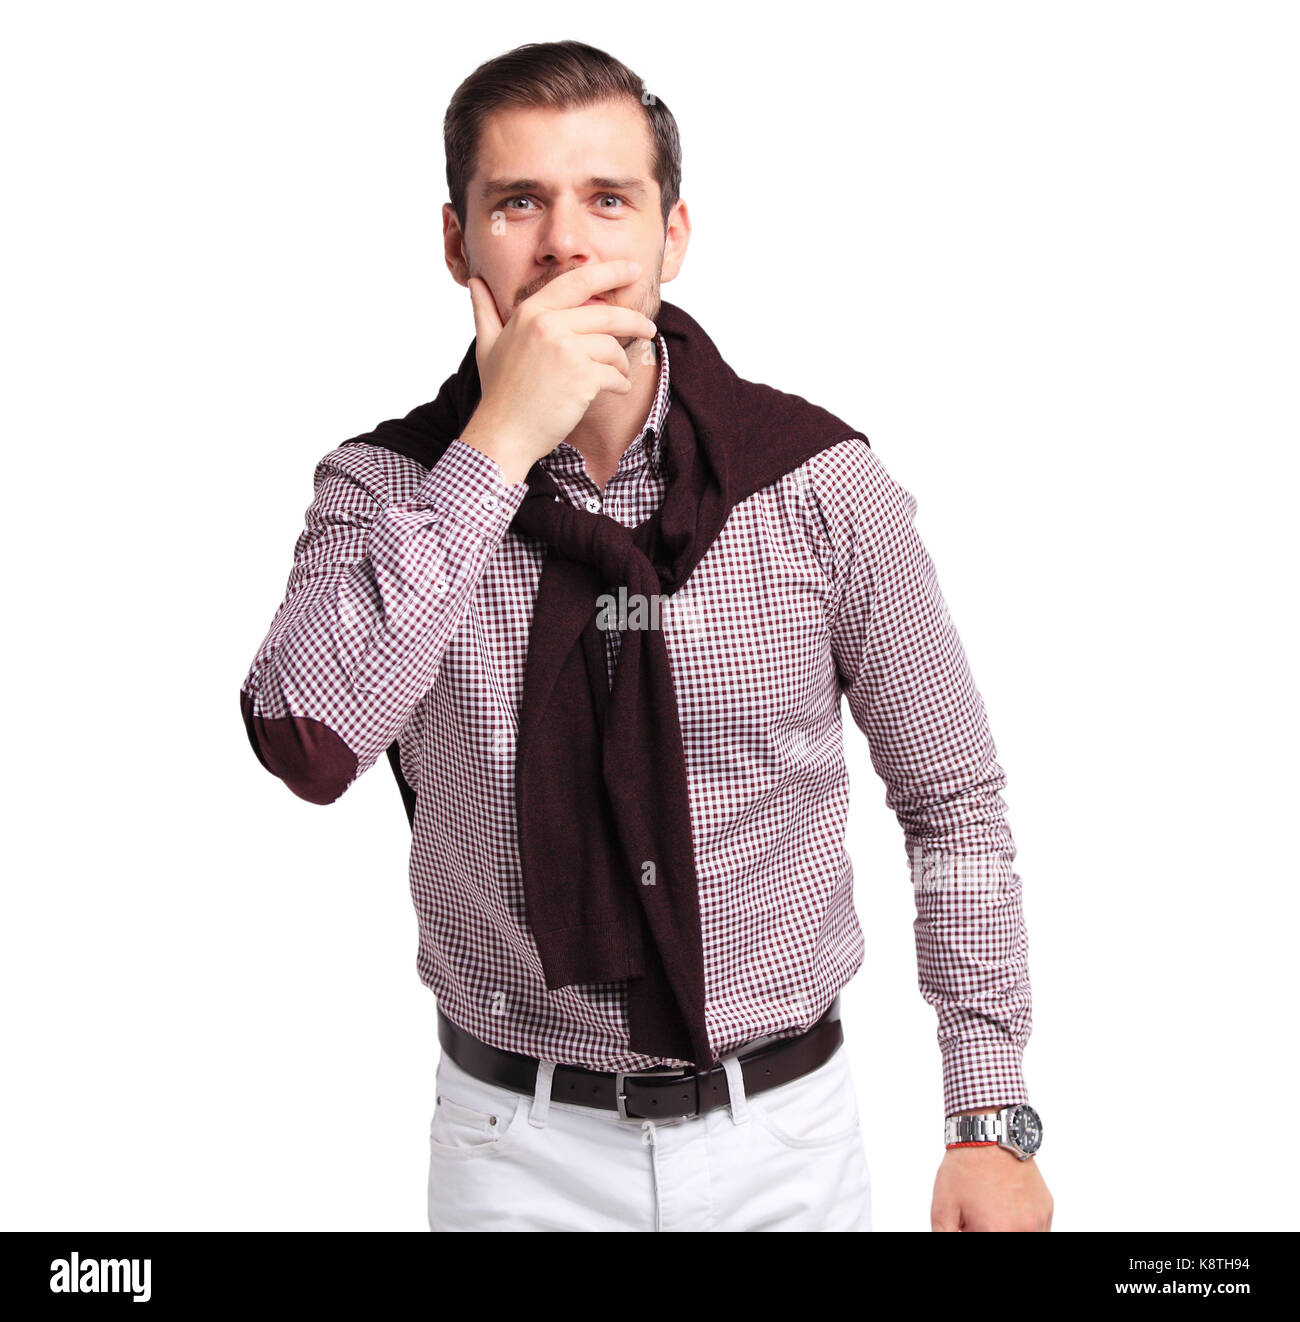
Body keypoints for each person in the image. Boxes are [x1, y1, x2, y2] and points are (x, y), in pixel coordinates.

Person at [238, 39, 1053, 1233]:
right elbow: (308, 741)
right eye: (519, 202)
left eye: (606, 199)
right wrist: (496, 447)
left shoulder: (817, 484)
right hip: (515, 1151)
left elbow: (952, 799)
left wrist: (989, 1118)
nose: (567, 242)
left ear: (671, 235)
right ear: (457, 242)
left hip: (786, 1138)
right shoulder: (385, 493)